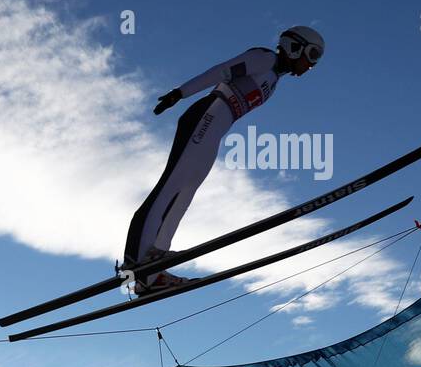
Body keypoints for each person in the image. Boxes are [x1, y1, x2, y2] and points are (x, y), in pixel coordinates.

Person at [122, 26, 326, 295]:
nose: (310, 64)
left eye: (316, 60)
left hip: (218, 126)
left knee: (186, 191)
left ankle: (155, 264)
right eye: (311, 54)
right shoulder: (264, 58)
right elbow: (221, 71)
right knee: (171, 186)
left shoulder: (274, 80)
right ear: (294, 46)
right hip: (207, 116)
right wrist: (179, 93)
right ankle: (137, 262)